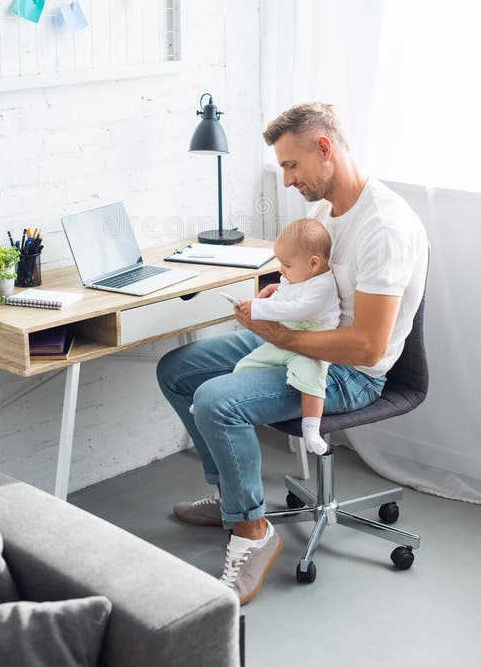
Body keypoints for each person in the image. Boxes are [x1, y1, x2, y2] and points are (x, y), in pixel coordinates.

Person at [156, 101, 428, 606]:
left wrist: (282, 337)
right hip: (301, 336)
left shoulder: (383, 228)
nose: (286, 180)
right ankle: (230, 496)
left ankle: (253, 530)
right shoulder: (324, 209)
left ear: (324, 149)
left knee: (217, 400)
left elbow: (367, 344)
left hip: (349, 371)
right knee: (178, 368)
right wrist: (273, 297)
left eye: (290, 165)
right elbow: (306, 280)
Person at [233, 218, 340, 456]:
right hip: (288, 334)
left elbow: (297, 309)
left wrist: (258, 309)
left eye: (287, 265)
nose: (281, 270)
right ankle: (220, 402)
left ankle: (312, 430)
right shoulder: (296, 277)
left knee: (311, 379)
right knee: (248, 363)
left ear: (313, 264)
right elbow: (285, 297)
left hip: (314, 341)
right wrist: (270, 296)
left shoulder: (323, 286)